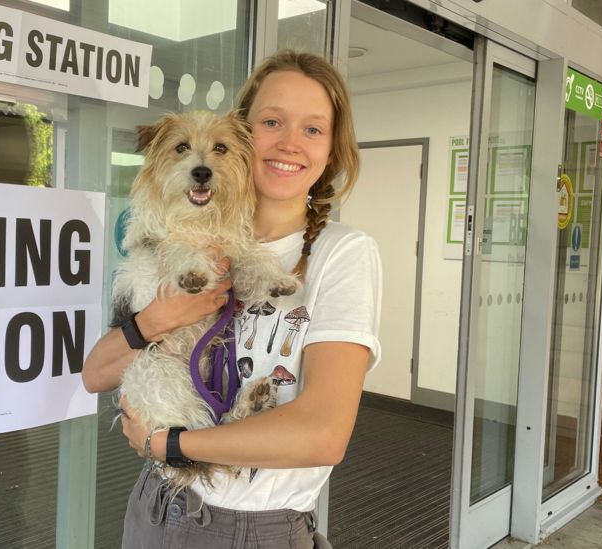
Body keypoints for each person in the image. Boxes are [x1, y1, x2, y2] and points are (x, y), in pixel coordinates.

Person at [82, 50, 381, 548]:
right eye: (272, 122)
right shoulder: (181, 235)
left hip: (246, 527)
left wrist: (170, 444)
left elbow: (324, 436)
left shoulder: (343, 253)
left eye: (312, 129)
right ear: (244, 133)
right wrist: (158, 318)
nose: (289, 142)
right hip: (154, 504)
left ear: (331, 150)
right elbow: (96, 375)